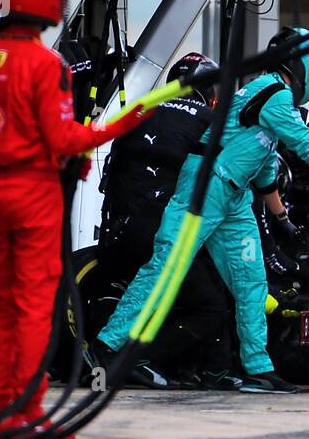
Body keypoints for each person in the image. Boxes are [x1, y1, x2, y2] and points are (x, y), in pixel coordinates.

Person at [98, 26, 309, 394]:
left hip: (234, 197)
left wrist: (282, 219)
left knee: (251, 281)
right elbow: (305, 144)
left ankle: (256, 367)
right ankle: (108, 346)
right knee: (166, 268)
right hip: (206, 186)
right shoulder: (273, 94)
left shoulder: (271, 98)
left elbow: (266, 167)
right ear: (296, 62)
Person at [0, 0, 153, 431]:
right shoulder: (47, 66)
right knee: (32, 305)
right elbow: (63, 138)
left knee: (1, 303)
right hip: (33, 195)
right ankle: (25, 412)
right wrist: (116, 127)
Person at [94, 52, 243, 391]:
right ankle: (134, 359)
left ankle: (206, 368)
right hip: (159, 233)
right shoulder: (209, 121)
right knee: (212, 305)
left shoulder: (140, 110)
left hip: (116, 231)